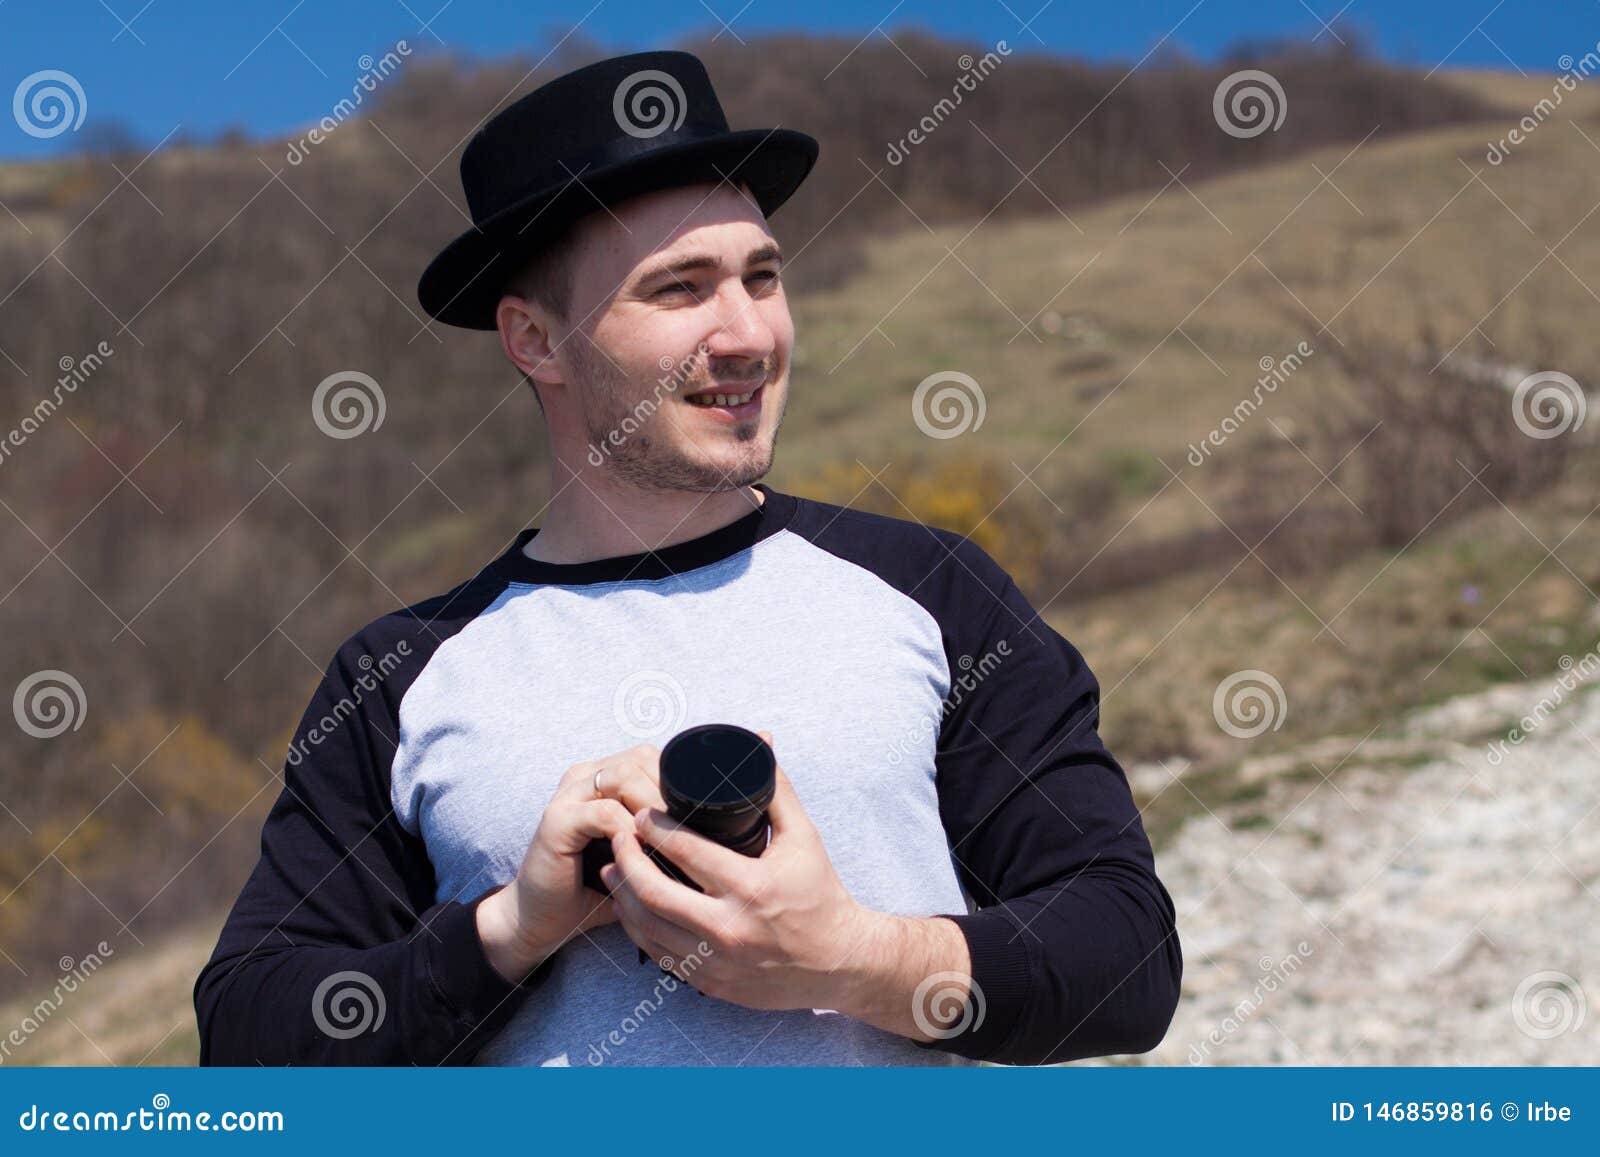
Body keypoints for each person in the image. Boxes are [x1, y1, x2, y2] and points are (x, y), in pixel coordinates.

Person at [194, 49, 1181, 1067]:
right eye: (680, 289)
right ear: (535, 340)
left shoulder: (932, 589)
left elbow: (1128, 958)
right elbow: (247, 1041)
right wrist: (509, 929)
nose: (748, 333)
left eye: (763, 276)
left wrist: (850, 957)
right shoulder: (400, 674)